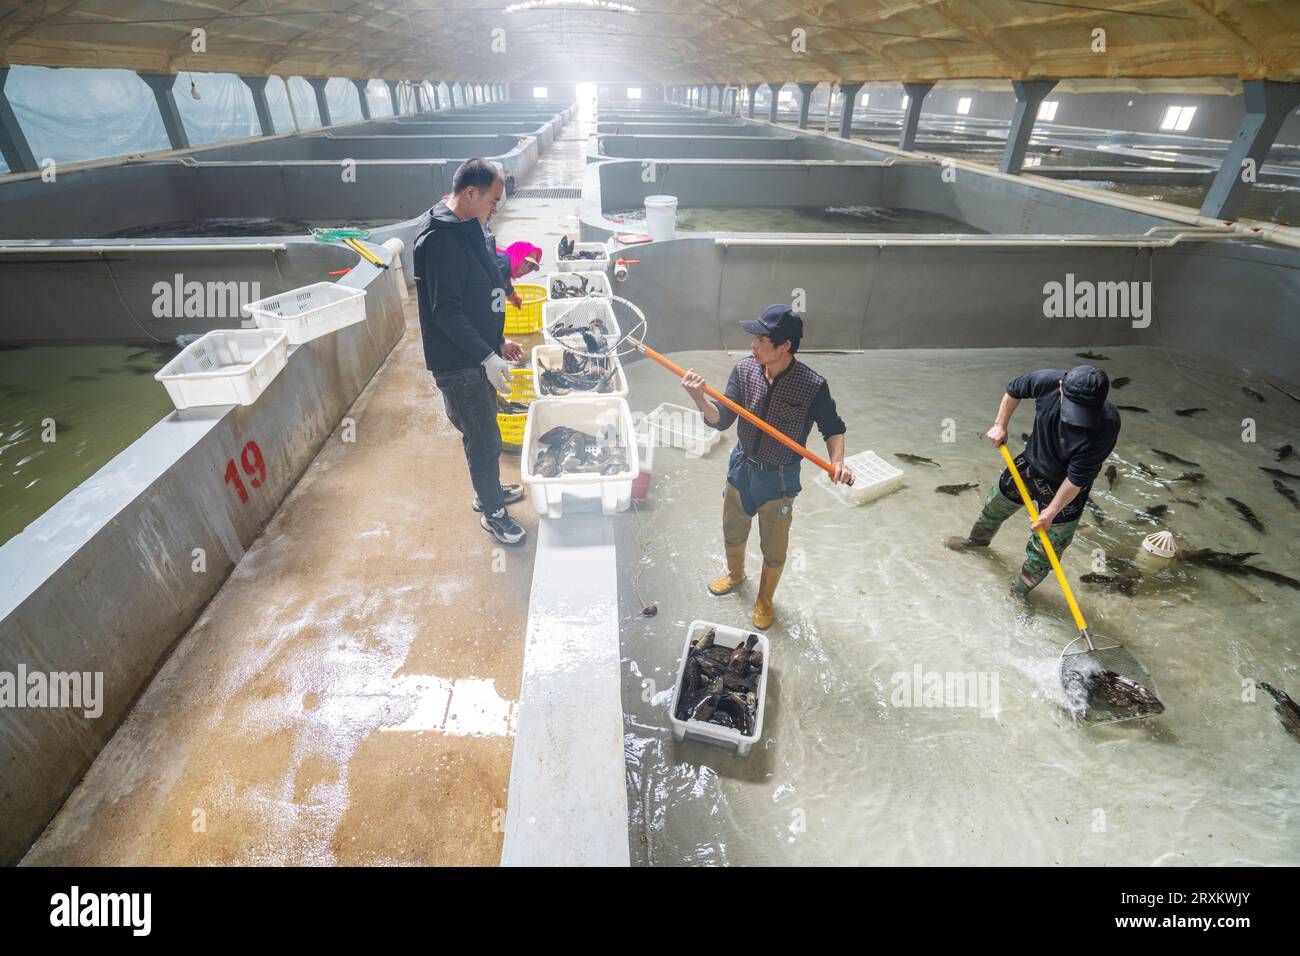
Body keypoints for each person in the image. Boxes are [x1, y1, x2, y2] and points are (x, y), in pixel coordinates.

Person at [681, 305, 854, 629]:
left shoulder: (811, 385)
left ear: (784, 345)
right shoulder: (745, 370)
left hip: (779, 479)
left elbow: (833, 428)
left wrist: (837, 462)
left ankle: (764, 599)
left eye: (761, 340)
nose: (753, 346)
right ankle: (735, 575)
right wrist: (700, 400)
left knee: (774, 548)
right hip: (742, 467)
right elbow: (723, 419)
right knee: (732, 530)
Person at [413, 157, 527, 546]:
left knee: (486, 431)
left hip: (477, 354)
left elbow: (481, 289)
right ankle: (492, 511)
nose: (496, 209)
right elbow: (446, 311)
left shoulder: (469, 225)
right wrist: (486, 357)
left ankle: (488, 490)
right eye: (493, 200)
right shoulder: (441, 239)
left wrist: (496, 344)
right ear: (471, 192)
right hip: (459, 362)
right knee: (483, 437)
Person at [946, 365, 1121, 594]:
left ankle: (1019, 592)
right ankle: (976, 543)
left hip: (1066, 489)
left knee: (1045, 551)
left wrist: (1050, 512)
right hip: (1028, 467)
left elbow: (1075, 479)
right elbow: (1014, 389)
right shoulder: (1047, 380)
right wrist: (1000, 425)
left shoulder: (1106, 425)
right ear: (1061, 387)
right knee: (992, 509)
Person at [495, 242, 542, 309]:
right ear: (517, 254)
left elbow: (505, 285)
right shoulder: (503, 265)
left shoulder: (505, 265)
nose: (526, 269)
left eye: (530, 266)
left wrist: (513, 298)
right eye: (525, 262)